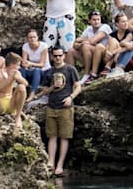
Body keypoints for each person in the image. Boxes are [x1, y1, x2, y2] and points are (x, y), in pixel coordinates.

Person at [40, 45, 81, 178]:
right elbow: (44, 91)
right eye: (55, 56)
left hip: (66, 108)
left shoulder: (70, 69)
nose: (57, 58)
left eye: (60, 55)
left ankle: (60, 165)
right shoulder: (48, 72)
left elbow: (78, 87)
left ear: (64, 55)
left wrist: (71, 97)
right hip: (51, 106)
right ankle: (51, 162)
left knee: (64, 137)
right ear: (52, 56)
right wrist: (53, 87)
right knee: (52, 136)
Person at [73, 11, 113, 80]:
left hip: (105, 56)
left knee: (87, 46)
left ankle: (87, 74)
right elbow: (75, 43)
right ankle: (71, 78)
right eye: (94, 20)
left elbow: (93, 41)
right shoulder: (88, 29)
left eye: (98, 19)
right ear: (89, 21)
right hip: (92, 56)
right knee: (71, 51)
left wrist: (83, 41)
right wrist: (82, 44)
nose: (96, 22)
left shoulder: (105, 27)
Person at [20, 30, 50, 94]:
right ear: (27, 38)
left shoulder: (43, 46)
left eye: (34, 37)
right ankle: (23, 89)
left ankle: (33, 93)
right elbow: (24, 61)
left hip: (44, 71)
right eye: (30, 37)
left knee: (37, 70)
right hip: (31, 70)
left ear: (37, 37)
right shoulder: (25, 46)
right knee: (21, 70)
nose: (32, 39)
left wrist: (31, 64)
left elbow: (42, 64)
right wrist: (25, 65)